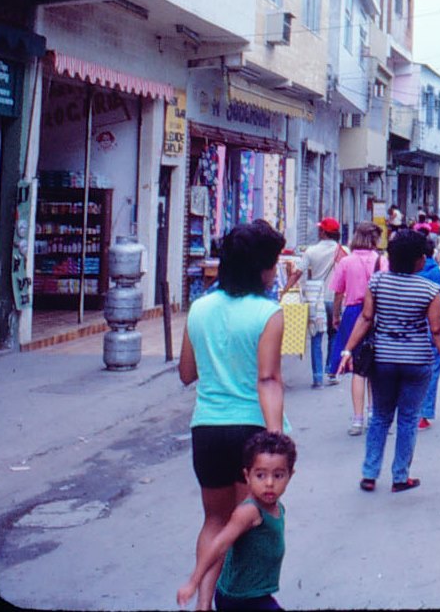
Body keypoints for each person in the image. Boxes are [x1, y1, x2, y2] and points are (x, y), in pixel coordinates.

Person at [179, 220, 287, 611]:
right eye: (273, 264)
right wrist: (277, 442)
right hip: (249, 430)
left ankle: (203, 605)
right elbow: (269, 379)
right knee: (246, 523)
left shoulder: (200, 308)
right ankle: (241, 601)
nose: (275, 272)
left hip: (206, 428)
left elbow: (187, 373)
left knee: (214, 521)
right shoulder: (267, 312)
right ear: (259, 268)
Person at [336, 229, 440, 493]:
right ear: (419, 260)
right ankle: (400, 476)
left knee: (381, 418)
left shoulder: (377, 283)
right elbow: (437, 330)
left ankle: (370, 473)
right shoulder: (430, 289)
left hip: (383, 358)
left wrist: (347, 350)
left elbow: (366, 319)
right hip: (417, 360)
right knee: (408, 419)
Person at [177, 430, 296, 611]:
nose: (269, 483)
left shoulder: (276, 506)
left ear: (290, 475)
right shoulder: (249, 511)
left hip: (256, 594)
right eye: (260, 475)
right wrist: (193, 582)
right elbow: (219, 544)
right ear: (247, 476)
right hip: (240, 599)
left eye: (278, 475)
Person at [327, 223, 388, 436]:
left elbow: (337, 292)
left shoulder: (346, 261)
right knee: (375, 366)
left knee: (357, 368)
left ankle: (357, 420)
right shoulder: (382, 261)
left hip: (353, 313)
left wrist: (336, 315)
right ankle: (374, 415)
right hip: (378, 314)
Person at [281, 218, 345, 389]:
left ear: (324, 232)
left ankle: (317, 378)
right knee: (334, 335)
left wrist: (285, 291)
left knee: (316, 338)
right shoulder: (343, 251)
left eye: (320, 230)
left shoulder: (311, 251)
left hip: (315, 300)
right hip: (335, 299)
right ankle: (331, 372)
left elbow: (297, 274)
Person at [415, 233, 440, 431]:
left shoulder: (412, 272)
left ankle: (410, 407)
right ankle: (425, 412)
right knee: (433, 369)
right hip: (437, 321)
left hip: (414, 323)